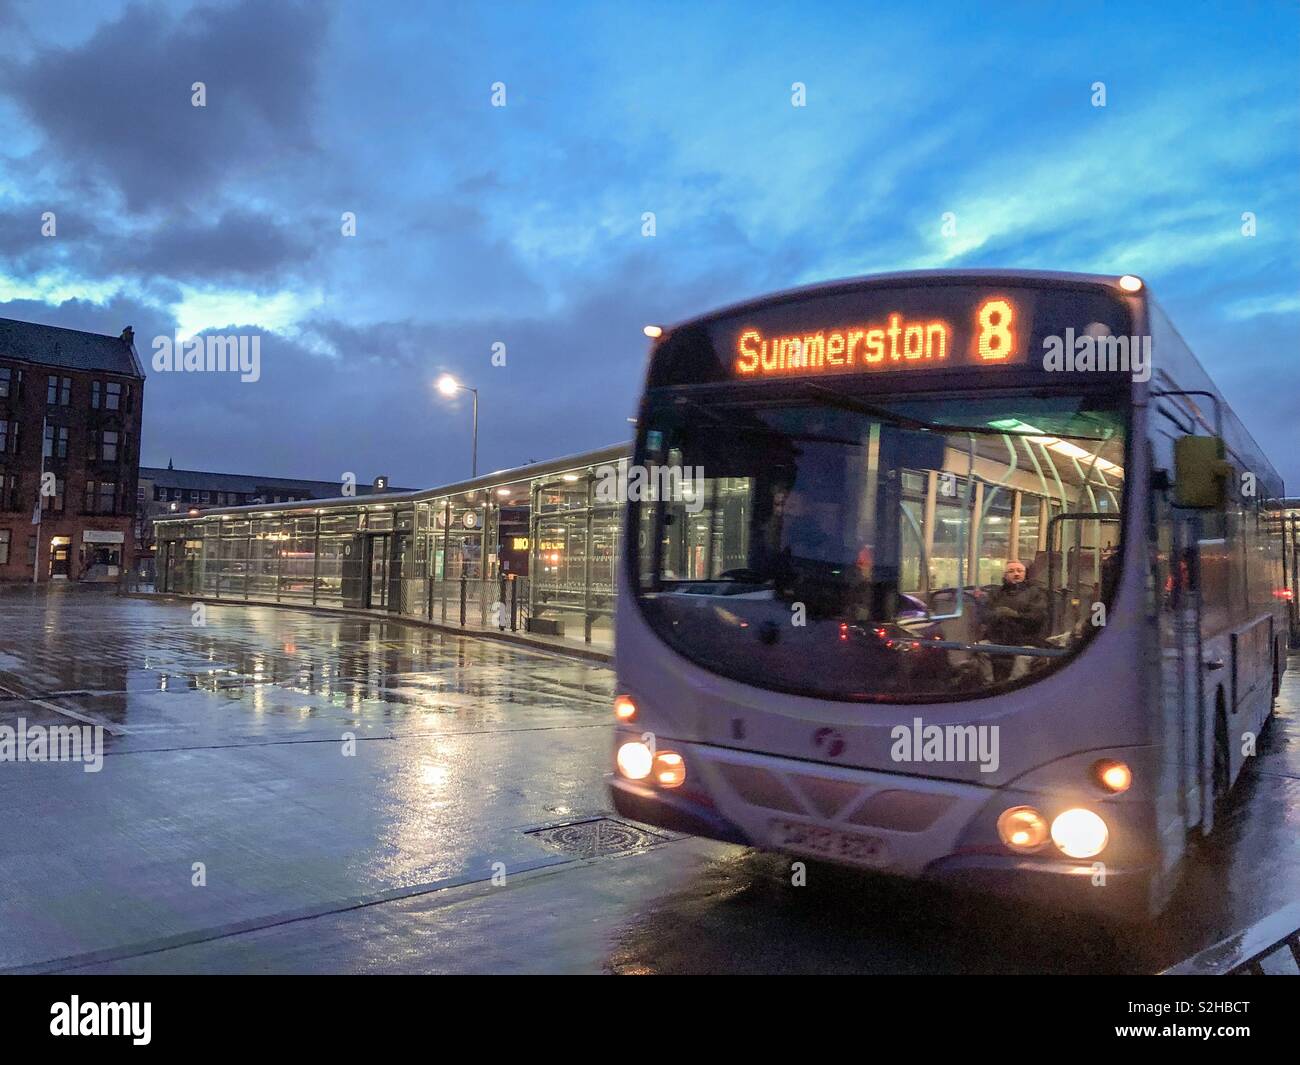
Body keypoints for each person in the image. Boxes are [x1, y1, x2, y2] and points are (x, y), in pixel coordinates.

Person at [983, 559, 1049, 681]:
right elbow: (985, 615)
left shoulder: (1036, 593)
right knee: (981, 649)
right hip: (998, 639)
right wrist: (997, 614)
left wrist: (1015, 615)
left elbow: (1037, 617)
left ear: (1025, 574)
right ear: (1005, 575)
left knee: (1023, 658)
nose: (1016, 574)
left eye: (1020, 571)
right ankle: (988, 684)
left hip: (1027, 640)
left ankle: (1013, 686)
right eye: (1011, 571)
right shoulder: (995, 593)